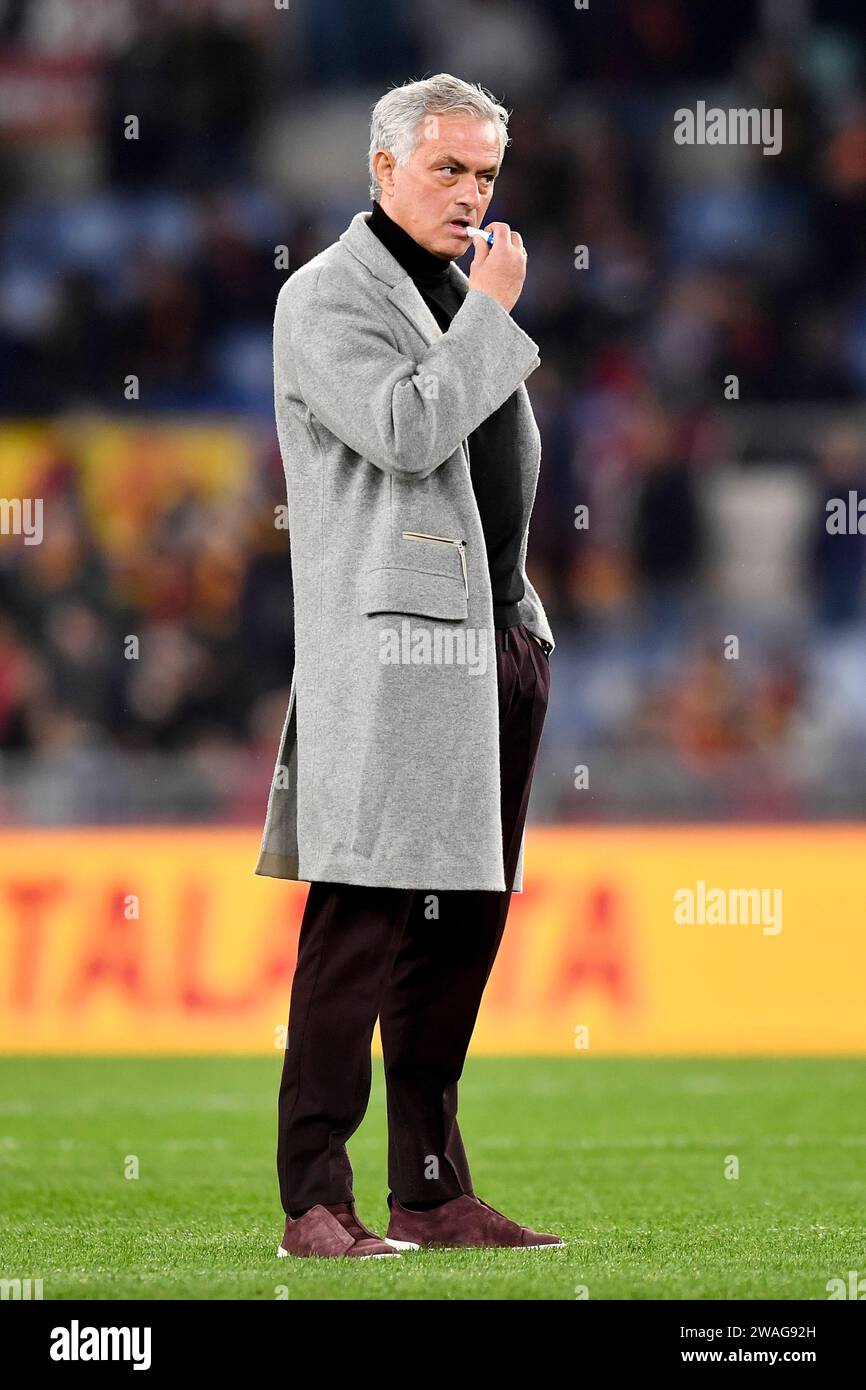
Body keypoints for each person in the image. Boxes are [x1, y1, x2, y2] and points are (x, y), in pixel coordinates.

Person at [257, 73, 563, 1258]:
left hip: (494, 641)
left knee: (456, 931)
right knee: (362, 911)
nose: (471, 192)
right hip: (390, 653)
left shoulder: (447, 291)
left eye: (485, 173)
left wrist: (522, 625)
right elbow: (406, 430)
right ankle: (313, 1204)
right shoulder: (326, 297)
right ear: (381, 168)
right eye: (448, 168)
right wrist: (488, 311)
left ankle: (430, 1192)